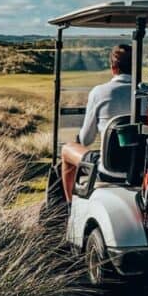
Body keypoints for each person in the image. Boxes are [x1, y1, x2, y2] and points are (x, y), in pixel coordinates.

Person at [60, 43, 136, 199]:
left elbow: (86, 139)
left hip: (109, 169)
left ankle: (69, 206)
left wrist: (77, 139)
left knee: (67, 149)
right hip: (140, 167)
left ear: (113, 68)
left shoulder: (99, 92)